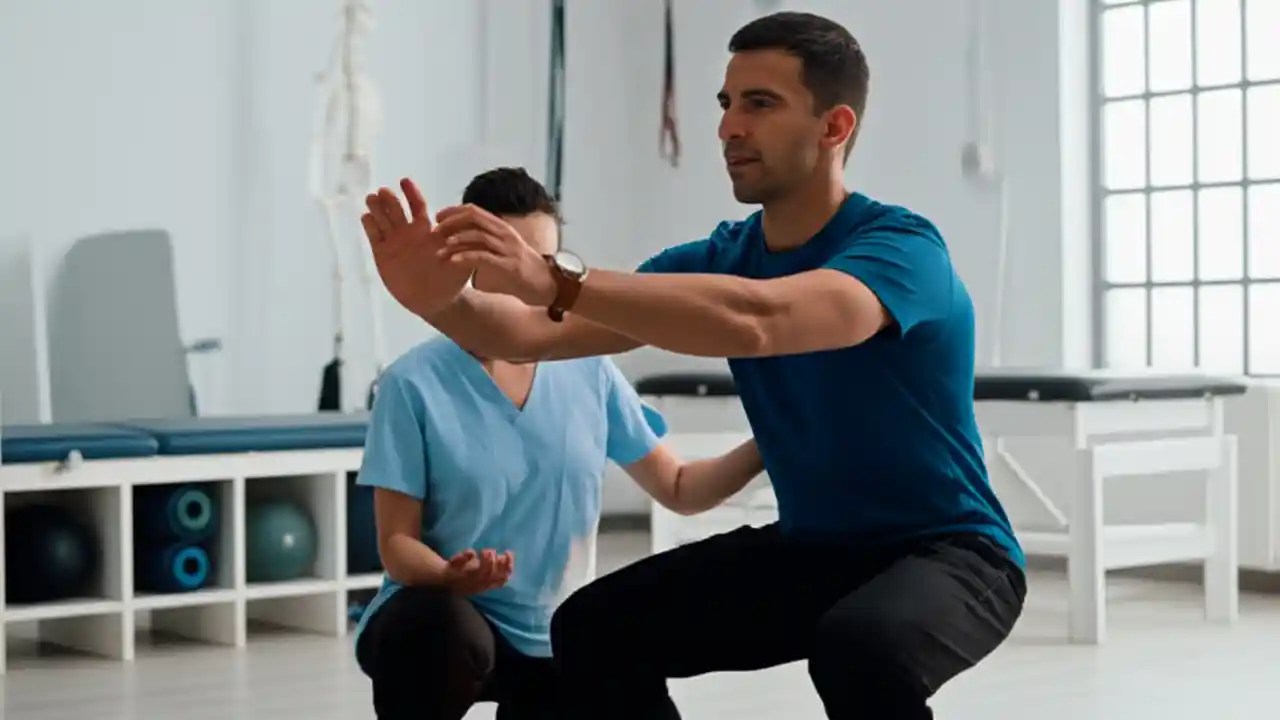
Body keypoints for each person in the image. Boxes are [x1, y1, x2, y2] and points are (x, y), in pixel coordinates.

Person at [360, 11, 1026, 719]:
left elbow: (761, 320)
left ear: (834, 127)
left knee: (861, 648)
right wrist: (435, 300)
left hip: (949, 552)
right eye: (726, 103)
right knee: (595, 626)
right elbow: (529, 335)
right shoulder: (718, 256)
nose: (729, 126)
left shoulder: (901, 249)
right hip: (814, 550)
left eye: (760, 104)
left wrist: (559, 279)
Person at [352, 167, 767, 720]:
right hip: (447, 616)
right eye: (509, 262)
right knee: (435, 632)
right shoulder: (412, 384)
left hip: (554, 631)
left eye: (543, 265)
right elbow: (396, 544)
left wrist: (770, 442)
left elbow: (679, 487)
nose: (527, 281)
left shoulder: (587, 369)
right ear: (466, 266)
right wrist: (448, 575)